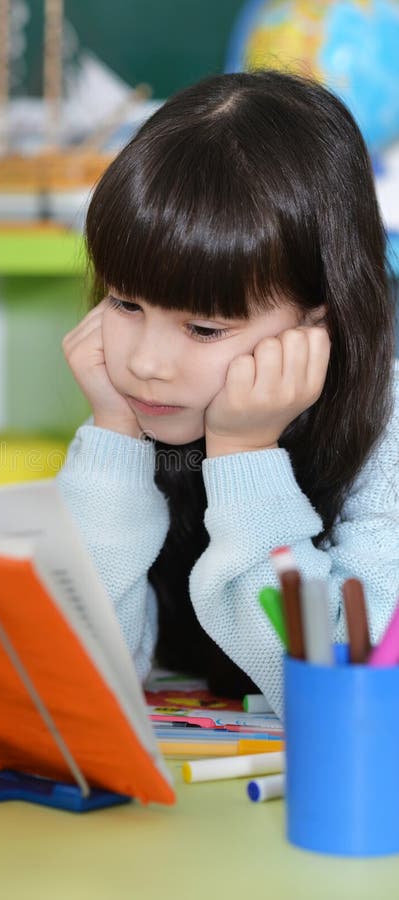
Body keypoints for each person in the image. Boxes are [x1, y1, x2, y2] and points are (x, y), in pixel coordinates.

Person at [56, 69, 399, 715]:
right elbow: (80, 676)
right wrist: (112, 443)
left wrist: (243, 454)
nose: (147, 363)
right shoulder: (155, 401)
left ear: (317, 317)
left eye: (203, 327)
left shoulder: (389, 430)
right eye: (125, 302)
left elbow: (339, 694)